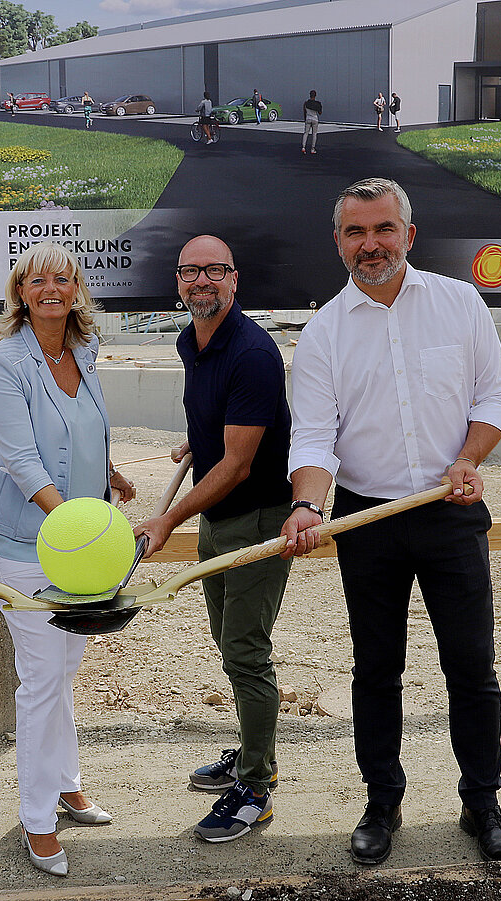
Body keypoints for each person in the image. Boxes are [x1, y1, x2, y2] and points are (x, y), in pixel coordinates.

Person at [279, 178, 501, 866]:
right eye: (356, 232)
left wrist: (469, 458)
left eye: (383, 228)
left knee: (471, 666)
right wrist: (307, 505)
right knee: (376, 669)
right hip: (367, 518)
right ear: (338, 243)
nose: (371, 244)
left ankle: (483, 802)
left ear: (408, 235)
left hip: (451, 511)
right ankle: (382, 800)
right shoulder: (323, 333)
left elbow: (496, 394)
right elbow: (314, 436)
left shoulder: (459, 303)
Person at [0, 241, 136, 877]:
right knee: (42, 677)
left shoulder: (85, 350)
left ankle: (66, 783)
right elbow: (21, 458)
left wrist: (108, 474)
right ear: (21, 292)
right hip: (26, 543)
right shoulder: (2, 362)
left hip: (80, 544)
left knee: (64, 666)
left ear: (76, 291)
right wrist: (76, 524)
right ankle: (37, 817)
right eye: (37, 279)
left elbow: (81, 430)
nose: (51, 288)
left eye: (62, 278)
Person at [135, 235, 292, 843]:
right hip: (218, 518)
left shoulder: (252, 352)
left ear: (234, 279)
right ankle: (253, 751)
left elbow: (239, 465)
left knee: (247, 650)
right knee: (230, 646)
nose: (201, 281)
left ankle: (255, 788)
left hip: (256, 520)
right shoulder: (191, 340)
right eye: (190, 271)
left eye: (214, 270)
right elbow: (224, 427)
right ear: (179, 280)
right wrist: (200, 437)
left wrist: (166, 519)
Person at [302, 90, 322, 154]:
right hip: (314, 119)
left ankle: (303, 147)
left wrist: (305, 119)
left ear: (309, 95)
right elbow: (320, 113)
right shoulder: (317, 103)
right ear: (315, 95)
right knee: (314, 134)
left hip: (308, 118)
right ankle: (312, 149)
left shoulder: (306, 103)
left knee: (306, 133)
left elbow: (304, 112)